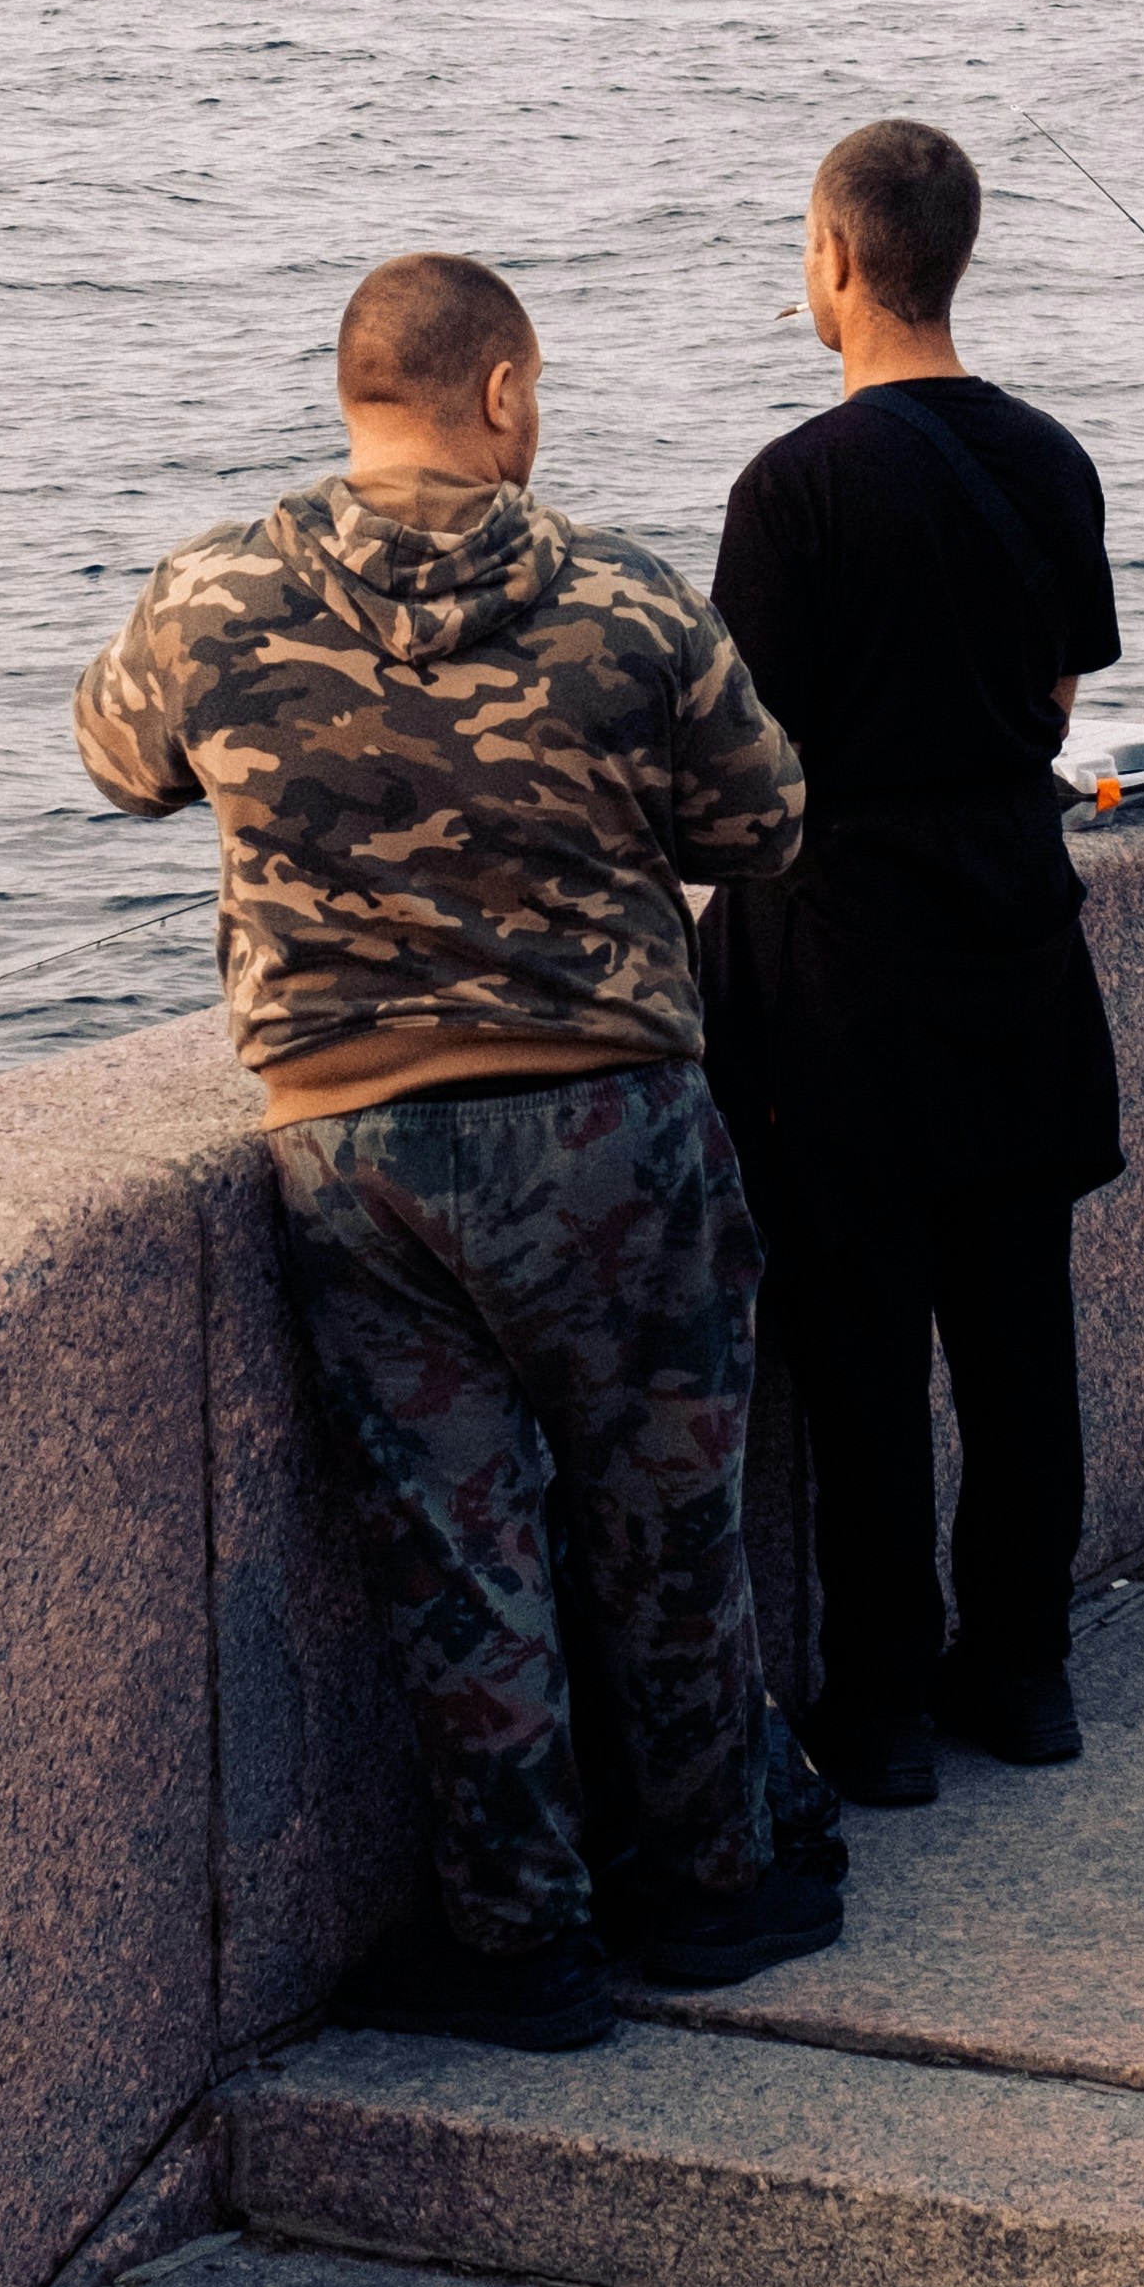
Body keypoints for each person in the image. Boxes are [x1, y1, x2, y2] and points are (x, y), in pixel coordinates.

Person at [73, 244, 835, 2052]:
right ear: (499, 392)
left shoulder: (208, 595)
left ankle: (525, 1946)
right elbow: (768, 826)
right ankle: (711, 1888)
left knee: (454, 1556)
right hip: (610, 1127)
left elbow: (117, 765)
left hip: (355, 1145)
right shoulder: (624, 597)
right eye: (535, 391)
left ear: (355, 395)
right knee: (664, 1528)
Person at [708, 116, 1124, 1811]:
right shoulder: (1050, 460)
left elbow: (741, 768)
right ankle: (1020, 1672)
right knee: (1019, 1333)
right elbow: (1055, 707)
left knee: (861, 1349)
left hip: (844, 981)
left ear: (833, 259)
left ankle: (877, 1707)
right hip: (1014, 944)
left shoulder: (789, 487)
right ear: (954, 256)